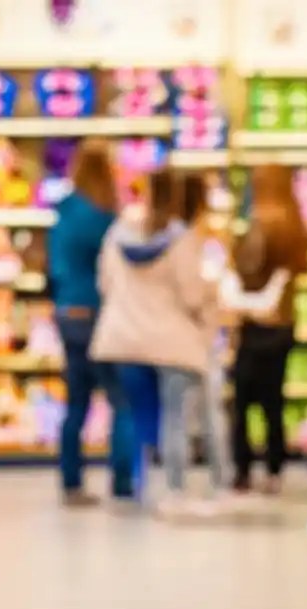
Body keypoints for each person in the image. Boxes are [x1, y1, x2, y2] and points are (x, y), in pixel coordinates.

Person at [91, 171, 227, 516]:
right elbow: (192, 293)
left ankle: (132, 486)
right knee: (175, 417)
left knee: (130, 414)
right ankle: (174, 489)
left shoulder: (117, 233)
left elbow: (104, 282)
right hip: (170, 341)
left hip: (123, 338)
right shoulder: (181, 239)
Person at [46, 138, 135, 507]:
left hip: (68, 313)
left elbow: (52, 267)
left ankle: (71, 482)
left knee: (76, 403)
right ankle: (123, 482)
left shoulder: (63, 212)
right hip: (102, 314)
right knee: (121, 402)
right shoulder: (107, 219)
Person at [224, 165, 307, 494]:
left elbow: (243, 266)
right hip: (283, 324)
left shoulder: (258, 224)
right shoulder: (295, 223)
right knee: (274, 401)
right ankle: (275, 468)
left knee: (243, 401)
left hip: (253, 322)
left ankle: (242, 469)